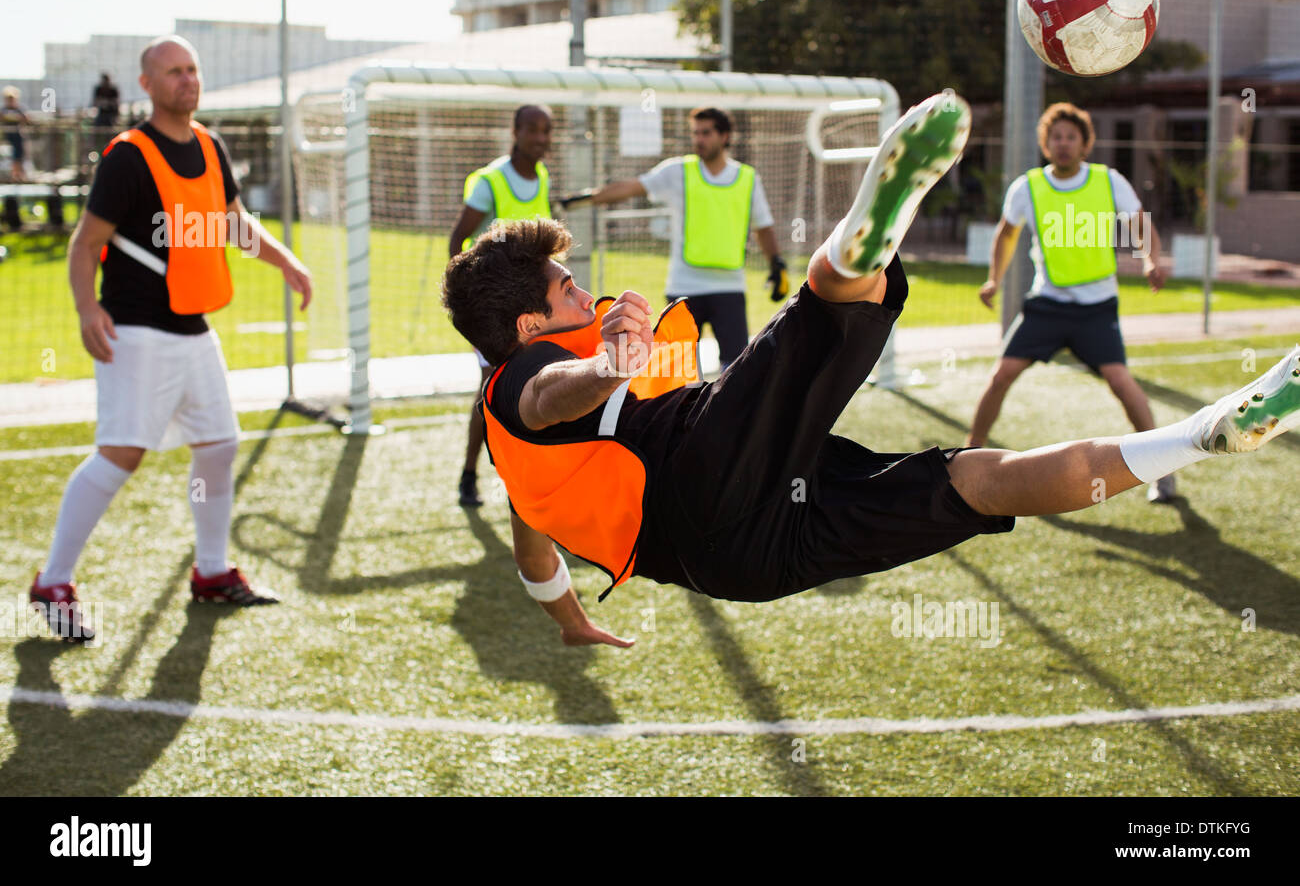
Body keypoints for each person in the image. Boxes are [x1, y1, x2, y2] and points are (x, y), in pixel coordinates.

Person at [442, 93, 1299, 648]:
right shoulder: (526, 376)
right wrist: (606, 367)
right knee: (821, 316)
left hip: (746, 564)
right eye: (566, 286)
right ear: (528, 324)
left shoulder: (518, 455)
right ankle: (857, 246)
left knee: (973, 482)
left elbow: (532, 547)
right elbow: (551, 397)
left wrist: (571, 623)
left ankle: (1198, 436)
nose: (583, 288)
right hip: (697, 477)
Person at [28, 35, 313, 643]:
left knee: (217, 444)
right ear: (148, 84)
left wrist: (285, 260)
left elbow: (234, 224)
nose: (187, 79)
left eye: (193, 70)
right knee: (121, 454)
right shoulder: (128, 156)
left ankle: (211, 573)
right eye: (174, 72)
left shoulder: (210, 143)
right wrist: (86, 311)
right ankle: (52, 581)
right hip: (136, 331)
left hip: (193, 327)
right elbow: (85, 244)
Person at [967, 102, 1175, 502]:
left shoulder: (1107, 180)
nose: (1062, 144)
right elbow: (1006, 236)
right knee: (1001, 375)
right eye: (1055, 137)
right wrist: (994, 279)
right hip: (1046, 304)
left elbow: (1140, 224)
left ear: (1084, 144)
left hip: (1097, 308)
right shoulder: (1027, 187)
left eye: (1070, 137)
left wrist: (1151, 260)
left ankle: (1161, 470)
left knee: (1120, 380)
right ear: (1046, 144)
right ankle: (970, 452)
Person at [559, 106, 788, 373]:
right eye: (696, 133)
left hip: (730, 288)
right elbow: (631, 187)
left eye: (706, 133)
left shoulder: (747, 178)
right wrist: (586, 198)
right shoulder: (678, 171)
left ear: (725, 136)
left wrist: (776, 263)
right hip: (683, 287)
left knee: (736, 372)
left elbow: (764, 227)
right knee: (679, 372)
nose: (699, 139)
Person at [446, 103, 554, 507]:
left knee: (536, 385)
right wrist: (471, 300)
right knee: (492, 386)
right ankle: (469, 474)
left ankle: (529, 479)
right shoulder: (490, 182)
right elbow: (457, 240)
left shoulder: (541, 176)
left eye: (547, 130)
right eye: (533, 130)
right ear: (515, 130)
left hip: (532, 308)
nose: (541, 138)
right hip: (493, 310)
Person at [2, 86, 29, 182]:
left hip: (18, 137)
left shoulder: (20, 109)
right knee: (9, 156)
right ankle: (13, 174)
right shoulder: (3, 110)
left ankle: (19, 174)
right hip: (7, 138)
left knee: (18, 155)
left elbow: (26, 119)